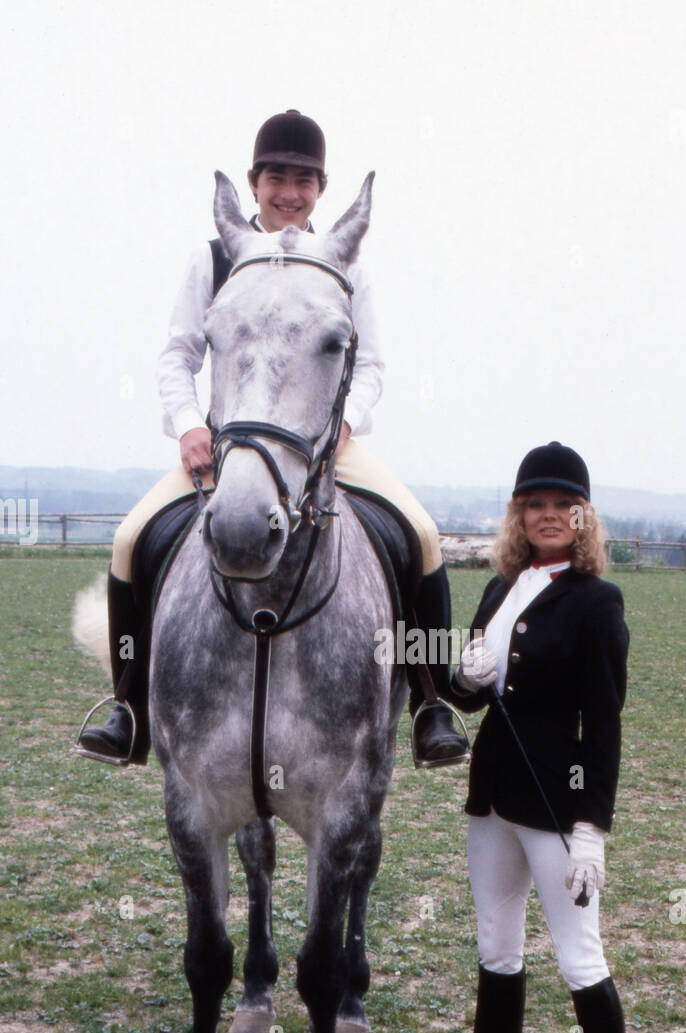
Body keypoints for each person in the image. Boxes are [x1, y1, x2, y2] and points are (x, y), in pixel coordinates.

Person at [77, 109, 467, 769]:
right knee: (129, 539)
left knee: (422, 534)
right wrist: (190, 425)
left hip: (325, 446)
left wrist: (347, 421)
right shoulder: (215, 257)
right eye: (277, 178)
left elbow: (369, 363)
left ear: (321, 189)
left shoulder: (343, 262)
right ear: (256, 183)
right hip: (230, 450)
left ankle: (431, 702)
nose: (290, 193)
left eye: (305, 181)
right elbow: (177, 356)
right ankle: (128, 704)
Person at [414, 442, 630, 1033]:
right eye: (531, 505)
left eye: (559, 505)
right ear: (518, 515)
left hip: (557, 806)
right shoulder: (501, 587)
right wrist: (465, 677)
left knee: (580, 955)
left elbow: (603, 726)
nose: (545, 516)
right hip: (494, 795)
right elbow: (472, 692)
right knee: (496, 945)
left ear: (582, 517)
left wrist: (592, 826)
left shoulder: (597, 603)